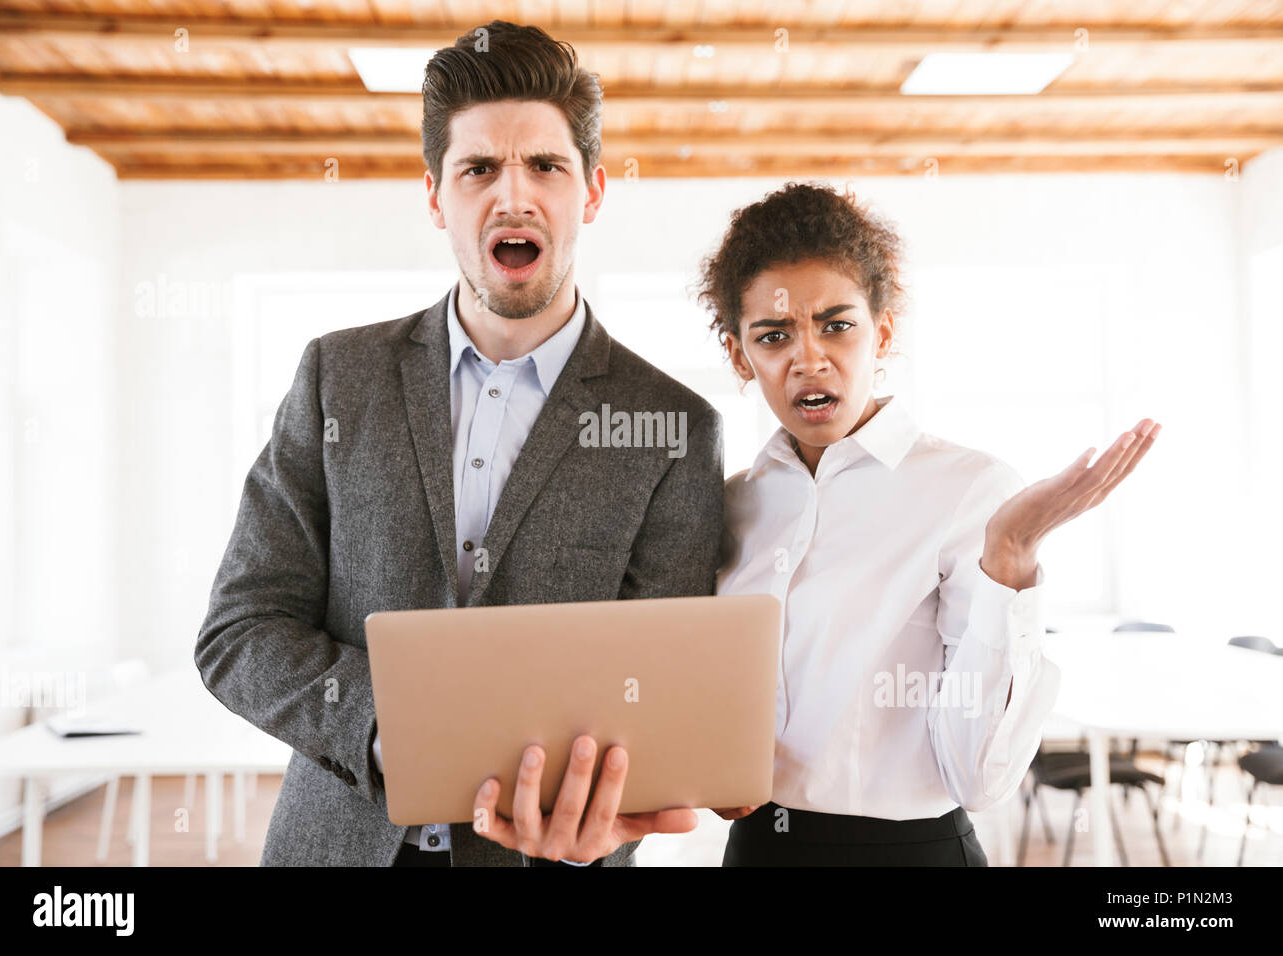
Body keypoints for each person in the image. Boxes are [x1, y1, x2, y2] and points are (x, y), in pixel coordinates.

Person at [195, 20, 715, 867]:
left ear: (592, 192)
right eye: (479, 169)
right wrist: (380, 729)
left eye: (546, 165)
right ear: (437, 196)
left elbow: (659, 691)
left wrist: (606, 802)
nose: (514, 197)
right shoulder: (338, 378)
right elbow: (240, 629)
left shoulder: (677, 429)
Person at [698, 182, 1159, 866]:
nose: (809, 359)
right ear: (740, 355)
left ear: (882, 331)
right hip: (757, 851)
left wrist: (1010, 557)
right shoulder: (730, 504)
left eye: (836, 323)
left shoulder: (970, 490)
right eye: (773, 335)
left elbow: (979, 778)